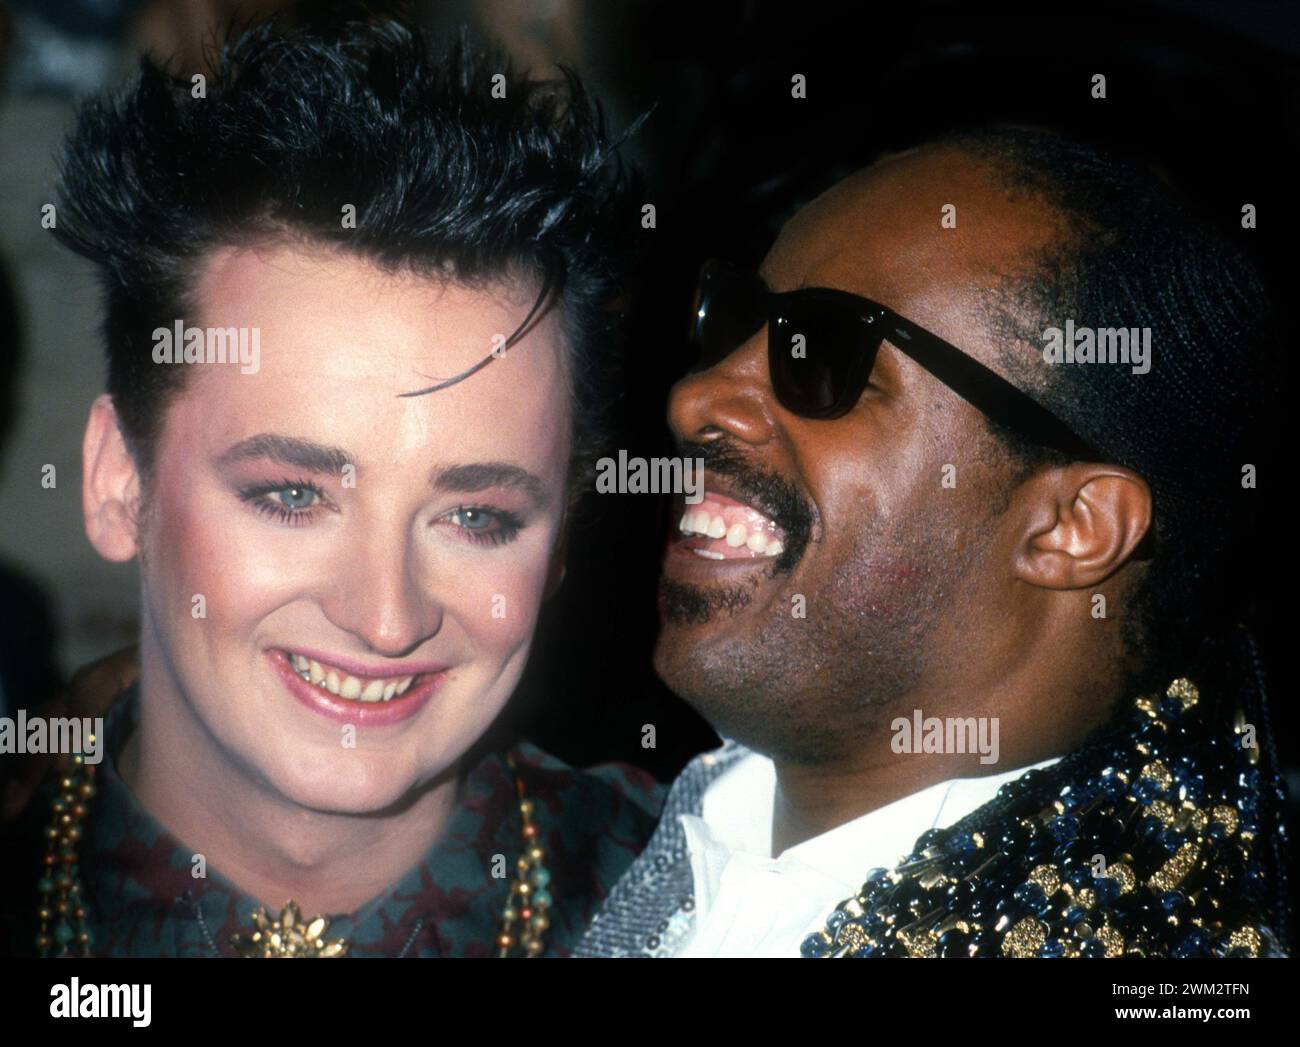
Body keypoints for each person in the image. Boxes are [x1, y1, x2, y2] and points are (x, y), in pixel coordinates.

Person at [0, 9, 662, 958]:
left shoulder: (705, 901)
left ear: (560, 542)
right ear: (118, 481)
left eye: (477, 515)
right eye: (293, 495)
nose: (385, 618)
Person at [575, 128, 1290, 958]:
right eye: (736, 318)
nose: (696, 397)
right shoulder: (568, 847)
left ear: (1072, 527)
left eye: (824, 352)